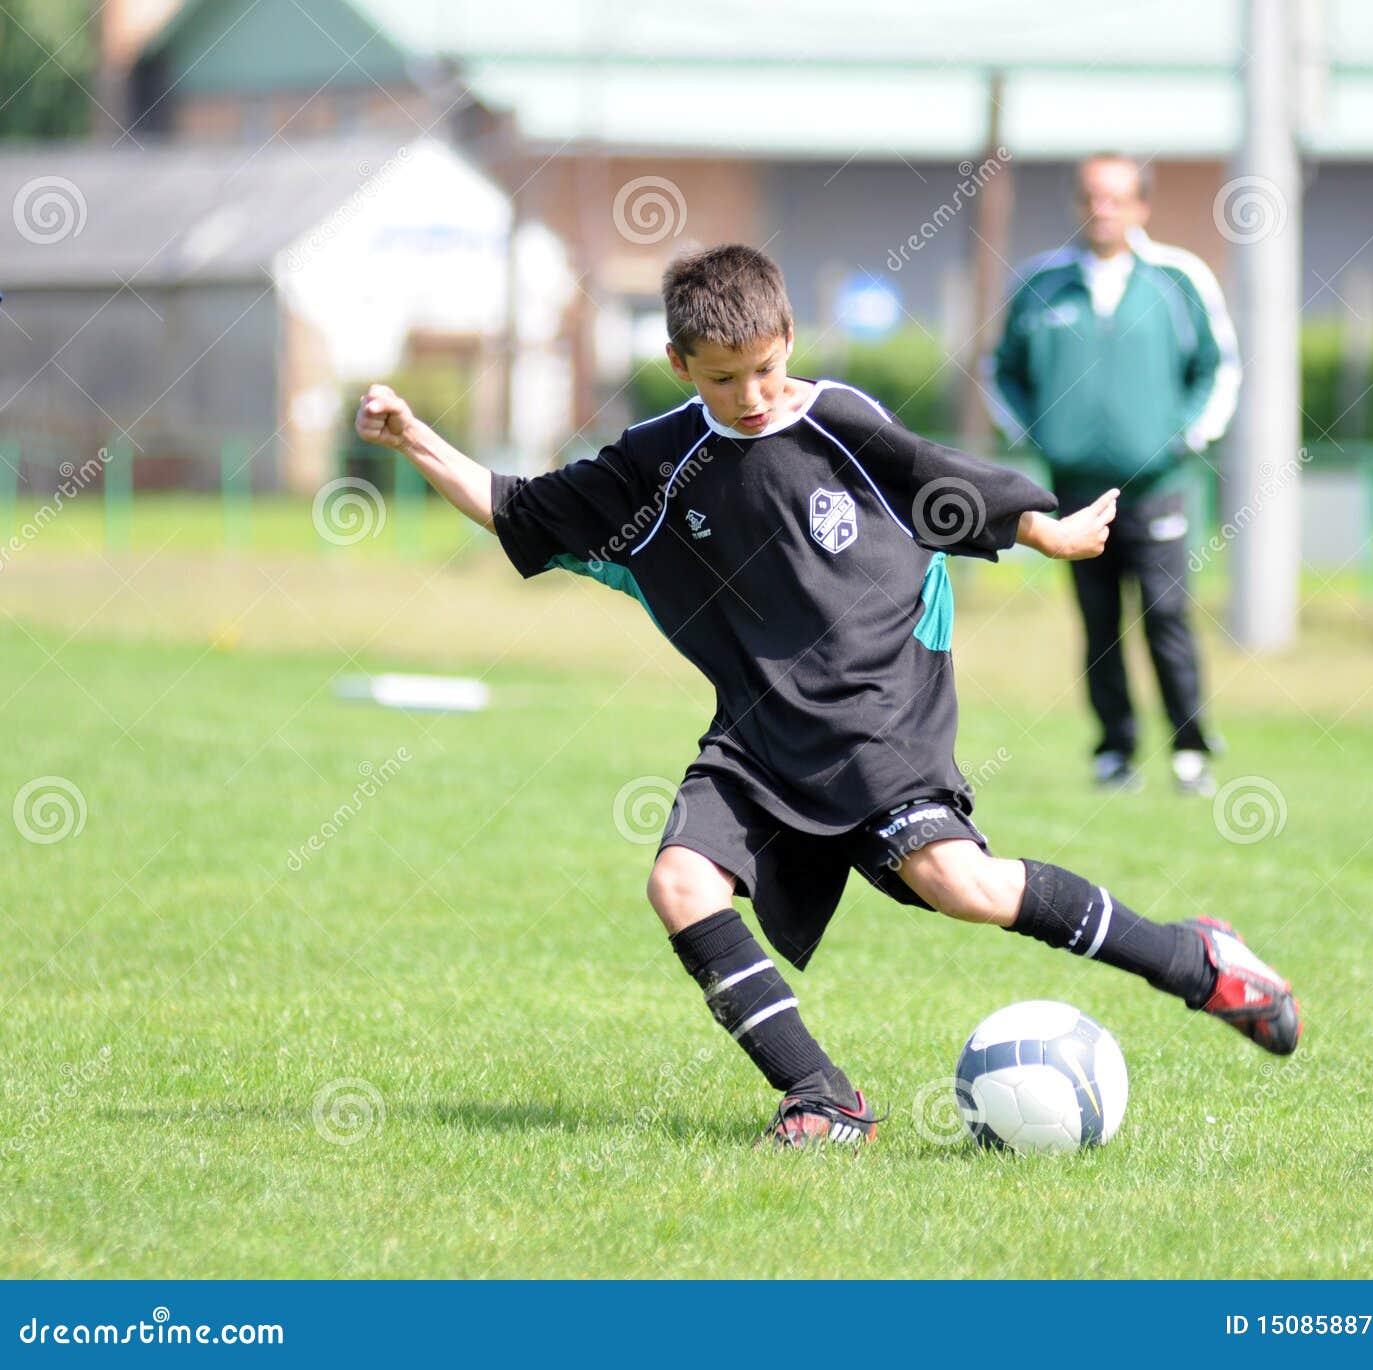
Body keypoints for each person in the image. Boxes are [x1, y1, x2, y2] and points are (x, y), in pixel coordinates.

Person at [355, 243, 1297, 1150]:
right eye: (723, 379)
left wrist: (1043, 532)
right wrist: (414, 440)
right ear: (680, 363)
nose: (751, 397)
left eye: (765, 369)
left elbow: (941, 480)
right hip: (760, 735)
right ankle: (823, 1097)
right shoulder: (654, 461)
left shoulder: (838, 422)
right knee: (678, 883)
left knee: (960, 884)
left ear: (790, 339)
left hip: (881, 713)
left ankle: (1195, 961)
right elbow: (520, 508)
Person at [991, 152, 1241, 796]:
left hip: (1156, 489)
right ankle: (1114, 751)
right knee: (1099, 625)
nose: (1102, 209)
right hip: (1072, 493)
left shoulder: (1177, 279)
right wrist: (1034, 433)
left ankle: (1190, 751)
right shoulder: (1039, 284)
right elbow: (1001, 371)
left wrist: (1188, 436)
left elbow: (1218, 366)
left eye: (1117, 197)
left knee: (1165, 616)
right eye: (1091, 197)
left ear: (1141, 207)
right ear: (1077, 204)